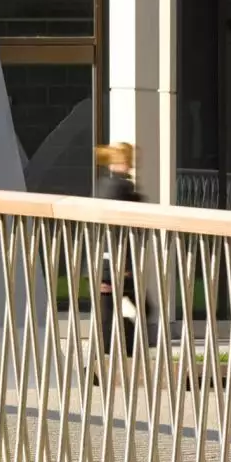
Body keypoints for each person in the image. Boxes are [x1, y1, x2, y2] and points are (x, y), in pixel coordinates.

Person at [94, 142, 142, 355]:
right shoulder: (120, 188)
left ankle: (114, 350)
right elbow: (117, 228)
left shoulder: (103, 185)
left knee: (110, 310)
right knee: (125, 307)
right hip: (114, 261)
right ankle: (122, 349)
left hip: (105, 260)